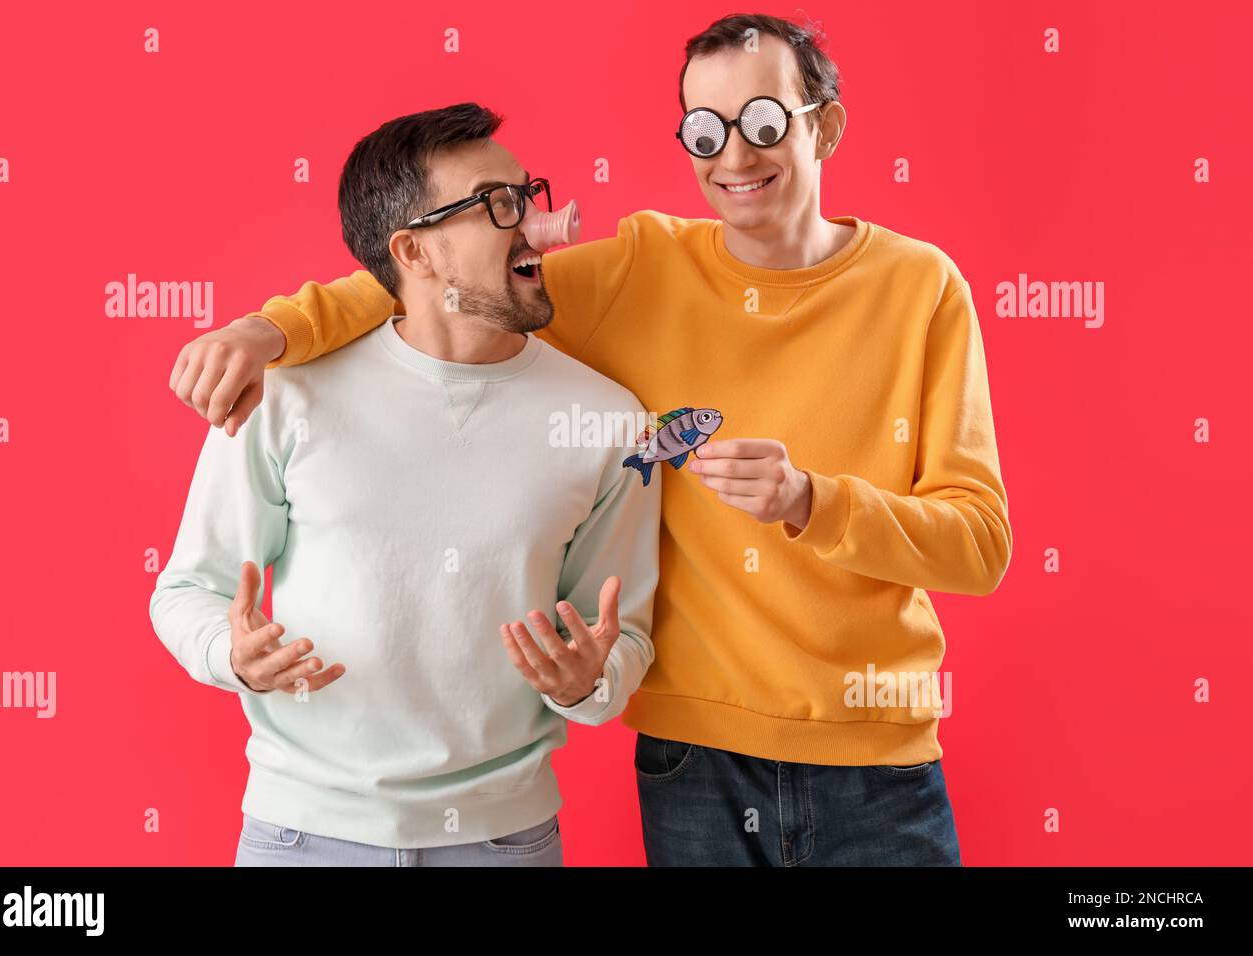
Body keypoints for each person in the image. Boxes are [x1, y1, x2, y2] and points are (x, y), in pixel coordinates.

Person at [167, 13, 1012, 866]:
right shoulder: (643, 270)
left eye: (763, 122)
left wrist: (811, 502)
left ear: (823, 123)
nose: (734, 157)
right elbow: (438, 288)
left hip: (876, 758)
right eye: (704, 131)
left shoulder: (921, 289)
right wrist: (268, 331)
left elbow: (981, 547)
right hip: (695, 759)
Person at [149, 103, 660, 866]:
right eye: (498, 204)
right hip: (300, 839)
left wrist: (591, 680)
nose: (538, 225)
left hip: (505, 842)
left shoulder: (608, 422)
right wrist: (232, 653)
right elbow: (185, 591)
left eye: (528, 194)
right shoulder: (284, 394)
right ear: (413, 253)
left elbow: (624, 636)